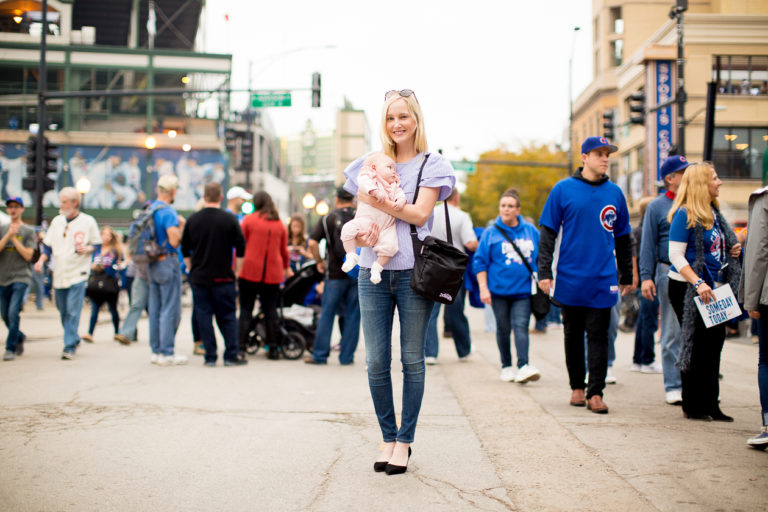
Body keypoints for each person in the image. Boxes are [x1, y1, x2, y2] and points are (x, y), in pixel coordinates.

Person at [343, 89, 455, 475]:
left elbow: (420, 215)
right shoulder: (370, 161)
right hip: (372, 271)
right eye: (391, 118)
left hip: (412, 273)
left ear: (416, 119)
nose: (397, 124)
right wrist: (364, 230)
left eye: (403, 116)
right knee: (375, 361)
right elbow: (360, 212)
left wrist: (378, 199)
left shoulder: (432, 163)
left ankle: (405, 441)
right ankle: (386, 436)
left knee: (412, 359)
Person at [538, 137, 634, 414]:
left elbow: (624, 237)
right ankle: (577, 387)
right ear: (584, 157)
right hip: (570, 276)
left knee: (600, 335)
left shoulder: (615, 193)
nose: (605, 159)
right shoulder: (563, 190)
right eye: (599, 154)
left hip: (603, 277)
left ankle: (596, 392)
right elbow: (548, 233)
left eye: (607, 154)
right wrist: (544, 271)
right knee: (572, 334)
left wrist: (627, 275)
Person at [667, 163, 742, 422]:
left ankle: (712, 403)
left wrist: (733, 250)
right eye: (714, 178)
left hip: (716, 289)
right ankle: (694, 404)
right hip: (688, 288)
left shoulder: (714, 213)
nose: (719, 182)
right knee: (696, 345)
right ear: (701, 184)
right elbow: (675, 255)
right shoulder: (684, 214)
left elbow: (717, 249)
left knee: (714, 345)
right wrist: (698, 282)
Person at [474, 188, 541, 383]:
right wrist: (483, 287)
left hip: (523, 291)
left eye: (511, 206)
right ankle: (506, 366)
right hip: (498, 291)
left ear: (518, 210)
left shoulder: (531, 231)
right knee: (503, 329)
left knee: (521, 326)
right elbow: (480, 262)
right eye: (503, 206)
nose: (506, 209)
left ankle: (523, 366)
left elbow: (542, 256)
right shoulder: (490, 233)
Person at [639, 155, 690, 405]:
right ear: (670, 179)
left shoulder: (695, 203)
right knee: (671, 331)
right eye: (683, 172)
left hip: (696, 273)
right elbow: (647, 244)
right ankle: (673, 384)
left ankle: (696, 382)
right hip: (666, 271)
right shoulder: (657, 207)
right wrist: (645, 277)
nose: (688, 175)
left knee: (695, 332)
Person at [181, 182, 246, 367]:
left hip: (200, 277)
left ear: (204, 197)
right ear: (221, 197)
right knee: (227, 316)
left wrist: (191, 267)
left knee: (204, 316)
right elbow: (241, 246)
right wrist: (237, 270)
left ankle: (210, 356)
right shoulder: (229, 219)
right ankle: (231, 355)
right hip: (224, 276)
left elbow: (185, 248)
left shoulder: (193, 220)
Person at [35, 187, 101, 360]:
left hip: (78, 273)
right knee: (63, 310)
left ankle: (69, 345)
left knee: (73, 311)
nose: (61, 204)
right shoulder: (57, 221)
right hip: (59, 274)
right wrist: (41, 261)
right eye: (61, 201)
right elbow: (48, 246)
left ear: (75, 203)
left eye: (64, 201)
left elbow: (97, 244)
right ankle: (74, 337)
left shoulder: (88, 221)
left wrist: (88, 248)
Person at [304, 187, 360, 366]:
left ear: (337, 200)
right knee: (353, 314)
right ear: (353, 199)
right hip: (356, 272)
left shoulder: (328, 218)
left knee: (327, 313)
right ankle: (346, 357)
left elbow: (312, 242)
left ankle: (320, 355)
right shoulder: (360, 216)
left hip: (334, 274)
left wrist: (319, 260)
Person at [424, 188, 478, 365]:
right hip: (454, 270)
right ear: (457, 197)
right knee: (456, 311)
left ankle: (430, 353)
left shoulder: (430, 212)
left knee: (431, 312)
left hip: (433, 266)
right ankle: (464, 351)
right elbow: (470, 244)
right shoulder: (462, 216)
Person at [238, 191, 292, 360]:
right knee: (270, 311)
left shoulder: (248, 220)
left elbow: (241, 245)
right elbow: (284, 251)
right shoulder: (279, 223)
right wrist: (286, 268)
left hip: (250, 270)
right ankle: (273, 348)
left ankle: (240, 347)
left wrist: (236, 267)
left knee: (246, 309)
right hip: (272, 273)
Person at [341, 152, 406, 284]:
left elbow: (401, 194)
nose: (394, 171)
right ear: (375, 168)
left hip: (387, 226)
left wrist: (400, 201)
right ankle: (351, 255)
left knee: (391, 246)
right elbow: (363, 182)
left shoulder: (394, 186)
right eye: (389, 167)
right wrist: (374, 191)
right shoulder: (370, 178)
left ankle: (377, 267)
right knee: (348, 229)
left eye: (395, 169)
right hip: (366, 220)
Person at [147, 174, 187, 366]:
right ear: (172, 191)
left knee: (155, 309)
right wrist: (181, 227)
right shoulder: (168, 212)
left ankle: (156, 351)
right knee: (170, 308)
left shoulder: (151, 208)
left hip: (152, 261)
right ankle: (167, 352)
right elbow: (174, 240)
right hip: (168, 261)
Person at [739, 185, 768, 447]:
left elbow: (759, 252)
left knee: (767, 359)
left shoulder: (765, 199)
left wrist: (751, 299)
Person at [0, 196, 36, 361]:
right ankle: (19, 336)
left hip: (21, 277)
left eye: (16, 207)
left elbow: (28, 255)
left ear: (22, 209)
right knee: (5, 314)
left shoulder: (28, 231)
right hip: (3, 277)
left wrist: (15, 238)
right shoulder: (2, 228)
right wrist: (8, 235)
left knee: (14, 312)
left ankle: (10, 348)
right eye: (10, 207)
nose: (13, 210)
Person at [631, 196, 661, 374]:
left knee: (643, 319)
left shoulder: (637, 230)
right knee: (648, 319)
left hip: (644, 279)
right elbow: (636, 257)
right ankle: (646, 359)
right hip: (649, 279)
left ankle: (638, 358)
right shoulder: (646, 232)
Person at [82, 226, 124, 343]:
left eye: (108, 235)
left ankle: (117, 332)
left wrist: (109, 266)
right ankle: (90, 333)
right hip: (96, 282)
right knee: (94, 308)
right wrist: (93, 267)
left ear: (111, 237)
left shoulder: (115, 250)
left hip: (109, 283)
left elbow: (119, 266)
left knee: (113, 308)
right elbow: (89, 263)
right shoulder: (96, 250)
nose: (106, 237)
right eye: (104, 234)